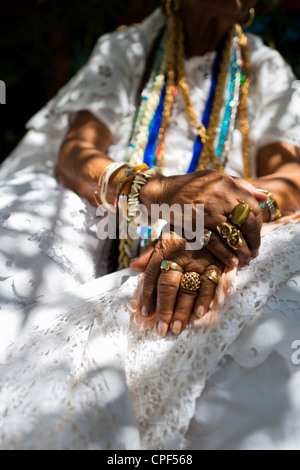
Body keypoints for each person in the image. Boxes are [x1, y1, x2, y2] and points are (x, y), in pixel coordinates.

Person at [0, 0, 300, 450]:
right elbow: (75, 154)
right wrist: (158, 191)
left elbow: (290, 179)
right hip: (106, 205)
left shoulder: (266, 69)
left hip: (224, 214)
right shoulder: (129, 47)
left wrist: (220, 225)